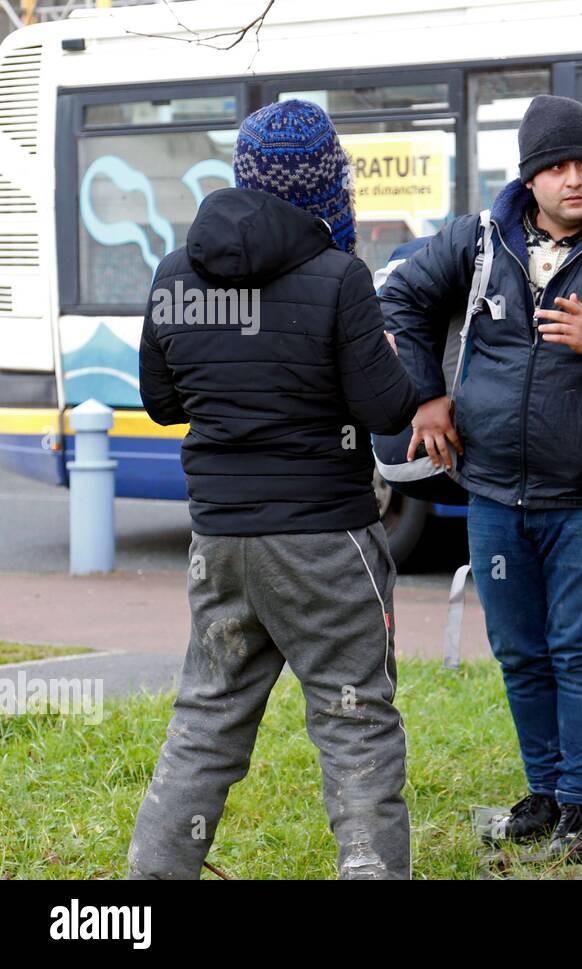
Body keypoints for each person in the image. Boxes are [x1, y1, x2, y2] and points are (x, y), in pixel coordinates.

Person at [381, 95, 582, 861]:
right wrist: (426, 393)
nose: (574, 179)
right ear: (529, 177)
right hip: (493, 490)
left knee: (581, 650)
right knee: (521, 648)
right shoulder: (480, 241)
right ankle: (547, 790)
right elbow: (402, 296)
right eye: (557, 166)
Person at [129, 100, 420, 879]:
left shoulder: (174, 273)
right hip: (326, 540)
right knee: (353, 719)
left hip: (220, 540)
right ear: (329, 184)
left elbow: (162, 403)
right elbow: (390, 411)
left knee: (206, 720)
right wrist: (387, 351)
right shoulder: (338, 277)